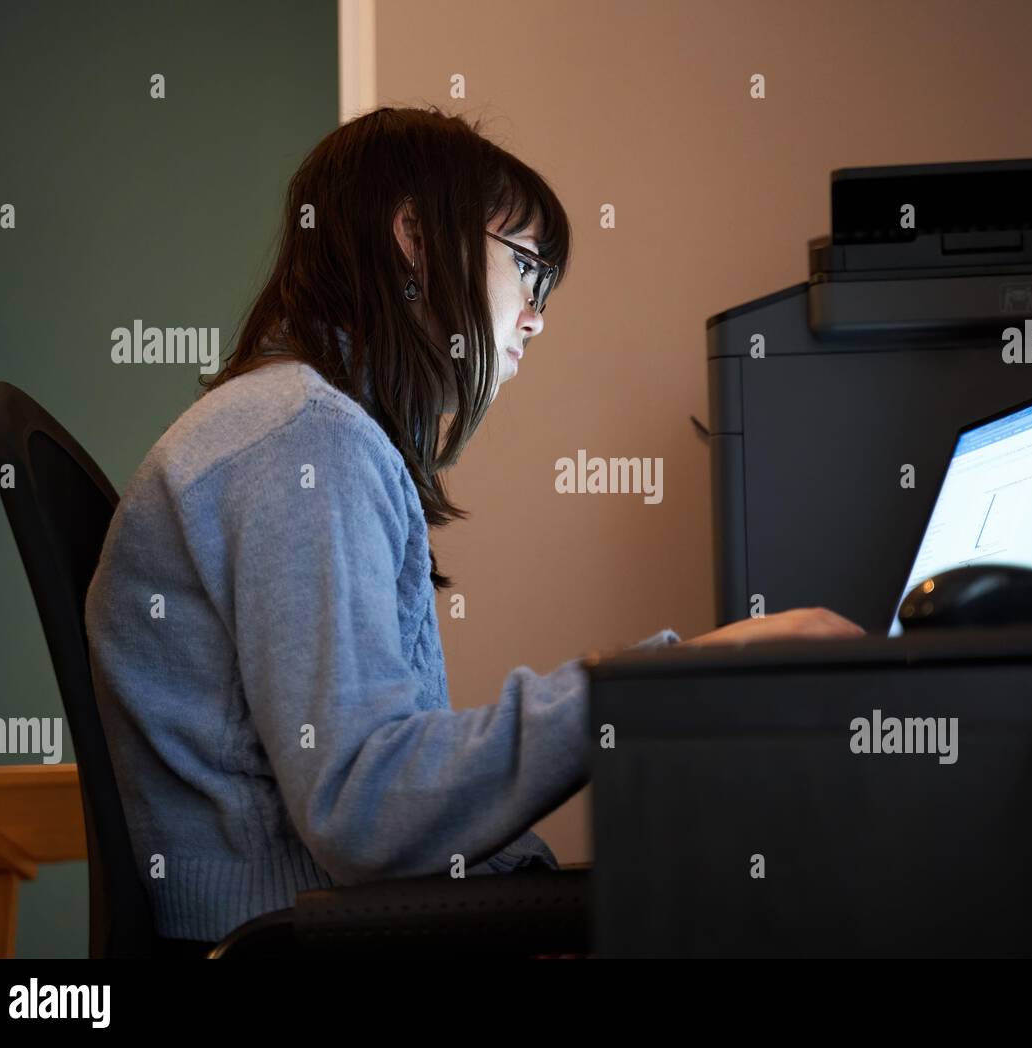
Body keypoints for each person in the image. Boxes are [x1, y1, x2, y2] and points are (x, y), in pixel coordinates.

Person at [83, 106, 863, 956]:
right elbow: (364, 808)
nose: (536, 318)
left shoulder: (290, 427)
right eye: (528, 270)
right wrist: (668, 679)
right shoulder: (302, 439)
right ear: (414, 237)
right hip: (296, 937)